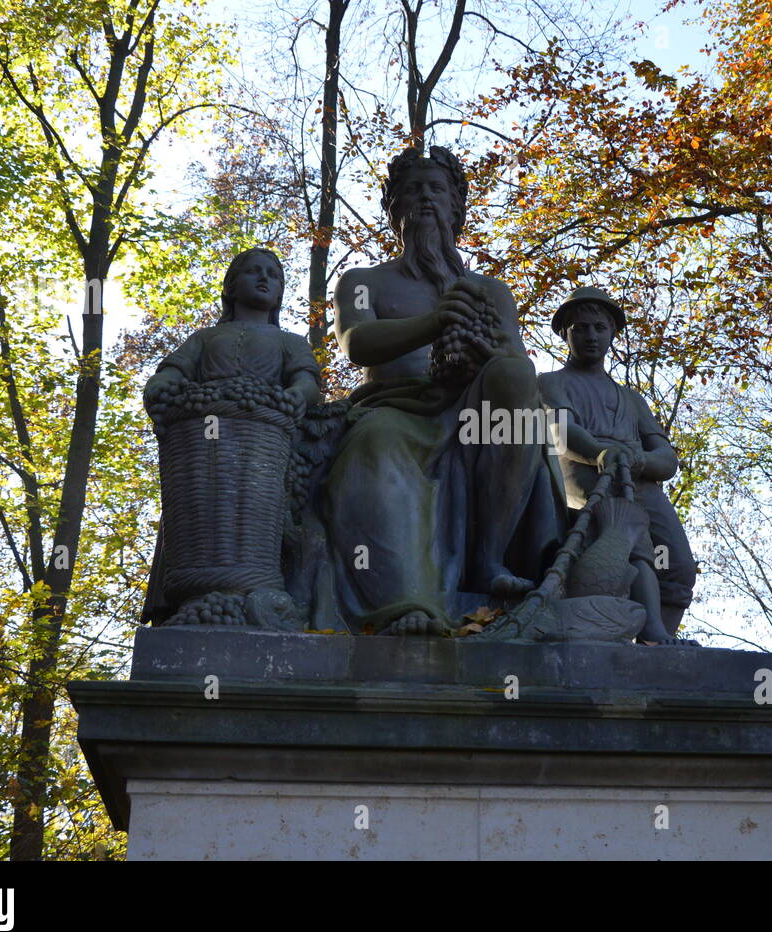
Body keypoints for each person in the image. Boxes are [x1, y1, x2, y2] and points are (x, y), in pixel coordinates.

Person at [319, 146, 564, 636]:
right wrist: (434, 323)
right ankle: (403, 600)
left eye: (437, 190)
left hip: (472, 412)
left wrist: (481, 351)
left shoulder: (490, 291)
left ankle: (489, 558)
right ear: (395, 210)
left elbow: (515, 359)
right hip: (398, 409)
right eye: (413, 190)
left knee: (517, 380)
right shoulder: (363, 282)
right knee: (376, 442)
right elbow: (358, 343)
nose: (425, 198)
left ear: (457, 208)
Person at [140, 247, 322, 625]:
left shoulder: (290, 342)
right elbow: (172, 372)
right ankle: (191, 595)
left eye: (274, 275)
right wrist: (161, 386)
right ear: (230, 286)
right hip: (203, 453)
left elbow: (306, 383)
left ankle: (256, 584)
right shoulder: (204, 338)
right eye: (253, 271)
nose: (264, 278)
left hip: (262, 447)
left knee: (256, 515)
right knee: (199, 512)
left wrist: (291, 398)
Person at [537, 287, 696, 644]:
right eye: (580, 328)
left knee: (679, 566)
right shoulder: (550, 383)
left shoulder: (631, 399)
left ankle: (656, 650)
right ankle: (650, 631)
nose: (591, 336)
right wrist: (600, 453)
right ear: (565, 333)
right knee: (632, 545)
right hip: (587, 476)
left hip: (640, 480)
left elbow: (666, 458)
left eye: (599, 327)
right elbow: (562, 431)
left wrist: (640, 459)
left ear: (612, 333)